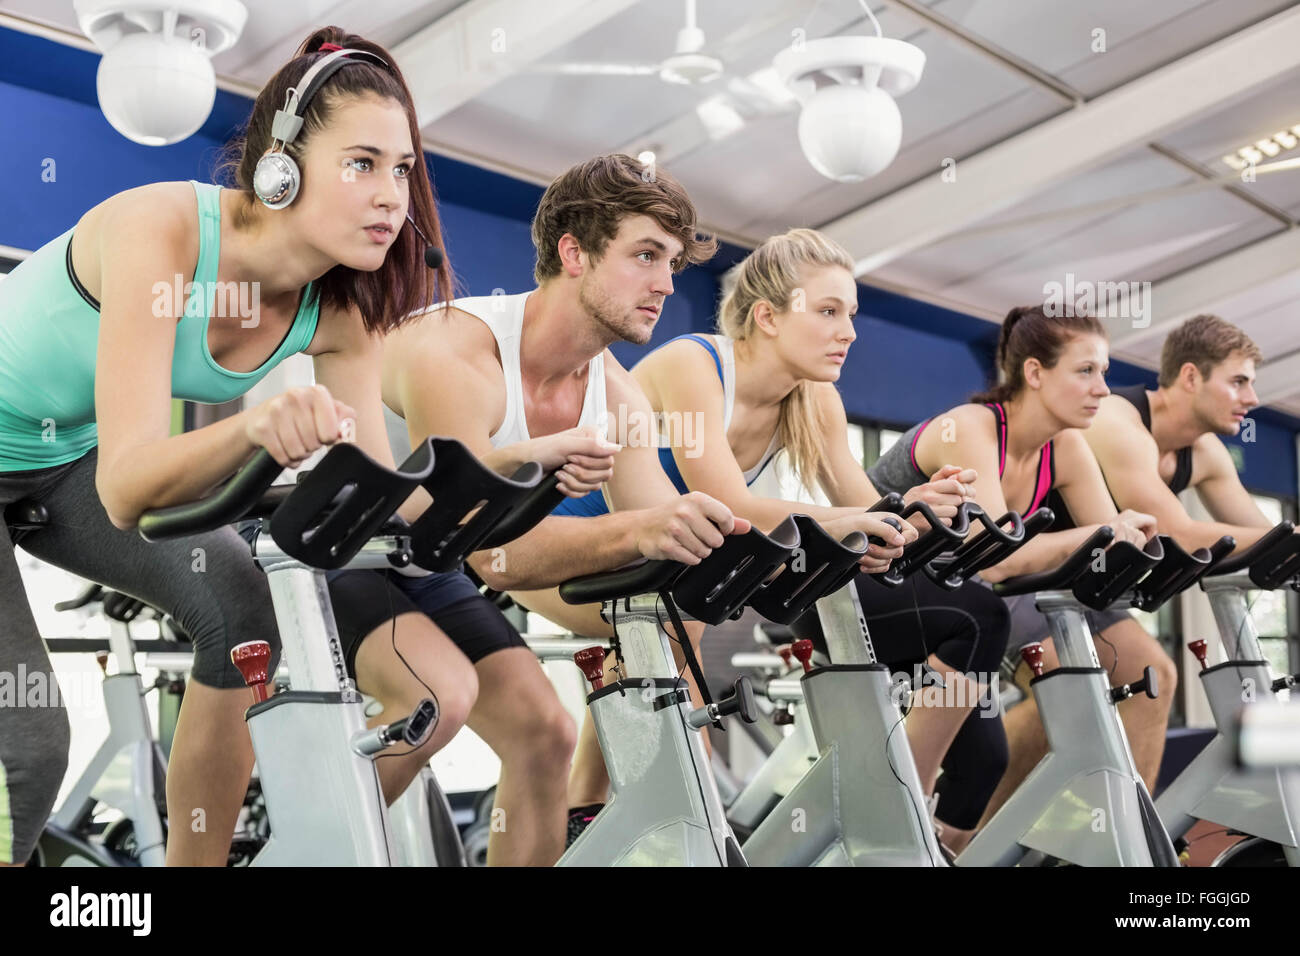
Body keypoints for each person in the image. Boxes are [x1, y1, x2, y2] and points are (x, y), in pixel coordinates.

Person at [0, 27, 476, 866]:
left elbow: (378, 490)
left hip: (56, 456)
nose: (391, 197)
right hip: (86, 464)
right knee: (29, 749)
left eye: (402, 170)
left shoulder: (339, 312)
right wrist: (255, 428)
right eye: (362, 164)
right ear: (279, 167)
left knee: (246, 614)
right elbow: (128, 487)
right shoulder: (162, 231)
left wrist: (505, 497)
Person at [381, 156, 909, 846]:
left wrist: (782, 551)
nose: (666, 283)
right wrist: (650, 533)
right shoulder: (459, 349)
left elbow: (665, 525)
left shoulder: (616, 391)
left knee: (545, 733)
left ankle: (609, 816)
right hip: (327, 549)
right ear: (574, 252)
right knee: (440, 702)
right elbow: (496, 554)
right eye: (645, 256)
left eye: (671, 263)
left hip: (434, 564)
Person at [564, 227, 1011, 850]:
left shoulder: (815, 400)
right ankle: (597, 813)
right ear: (768, 317)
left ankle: (591, 817)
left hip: (673, 569)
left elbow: (865, 517)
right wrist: (870, 517)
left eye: (851, 314)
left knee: (673, 673)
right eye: (828, 311)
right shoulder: (694, 364)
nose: (848, 331)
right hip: (582, 544)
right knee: (674, 673)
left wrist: (917, 512)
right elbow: (732, 506)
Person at [867, 304, 1162, 845]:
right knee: (993, 625)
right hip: (869, 594)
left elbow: (1107, 544)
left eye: (1104, 372)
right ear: (1034, 372)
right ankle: (899, 829)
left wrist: (1136, 547)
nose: (1102, 389)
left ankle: (944, 852)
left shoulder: (1065, 447)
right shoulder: (971, 428)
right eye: (1085, 371)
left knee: (984, 765)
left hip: (953, 609)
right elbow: (995, 557)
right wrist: (1105, 534)